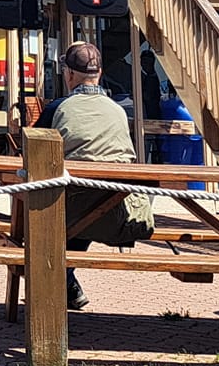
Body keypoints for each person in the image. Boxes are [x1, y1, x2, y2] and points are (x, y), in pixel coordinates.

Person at [35, 42, 153, 311]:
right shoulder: (119, 111)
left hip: (68, 210)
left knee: (51, 210)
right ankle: (67, 283)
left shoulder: (58, 109)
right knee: (89, 208)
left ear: (69, 75)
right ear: (99, 73)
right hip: (117, 215)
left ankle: (60, 281)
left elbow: (32, 152)